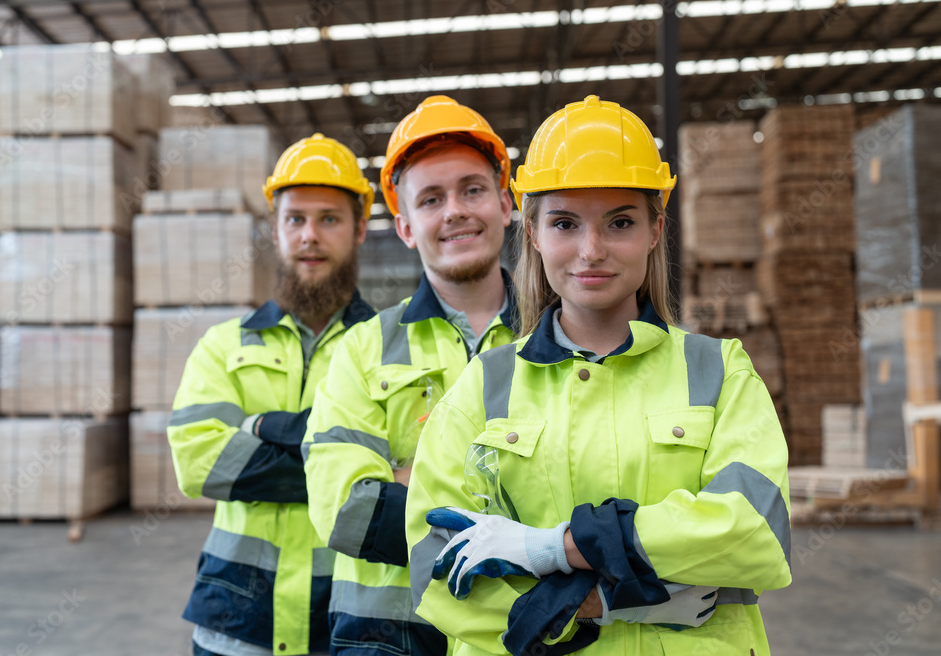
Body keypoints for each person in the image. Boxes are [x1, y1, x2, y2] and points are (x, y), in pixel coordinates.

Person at [405, 96, 792, 656]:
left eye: (620, 222)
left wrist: (555, 548)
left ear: (656, 229)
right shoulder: (484, 386)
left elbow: (754, 532)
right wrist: (611, 604)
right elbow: (434, 566)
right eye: (565, 223)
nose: (592, 251)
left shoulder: (718, 371)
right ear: (533, 233)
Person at [302, 95, 518, 656]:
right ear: (403, 225)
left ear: (506, 200)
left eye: (472, 189)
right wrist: (522, 527)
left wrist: (407, 477)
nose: (454, 211)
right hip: (386, 636)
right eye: (431, 199)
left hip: (528, 633)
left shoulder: (564, 340)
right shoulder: (362, 349)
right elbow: (346, 509)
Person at [167, 133, 376, 656]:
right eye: (295, 219)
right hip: (238, 620)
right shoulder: (224, 344)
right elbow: (198, 461)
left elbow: (409, 470)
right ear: (276, 230)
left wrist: (257, 431)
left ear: (359, 231)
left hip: (350, 619)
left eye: (329, 218)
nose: (310, 235)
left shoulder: (389, 348)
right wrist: (343, 465)